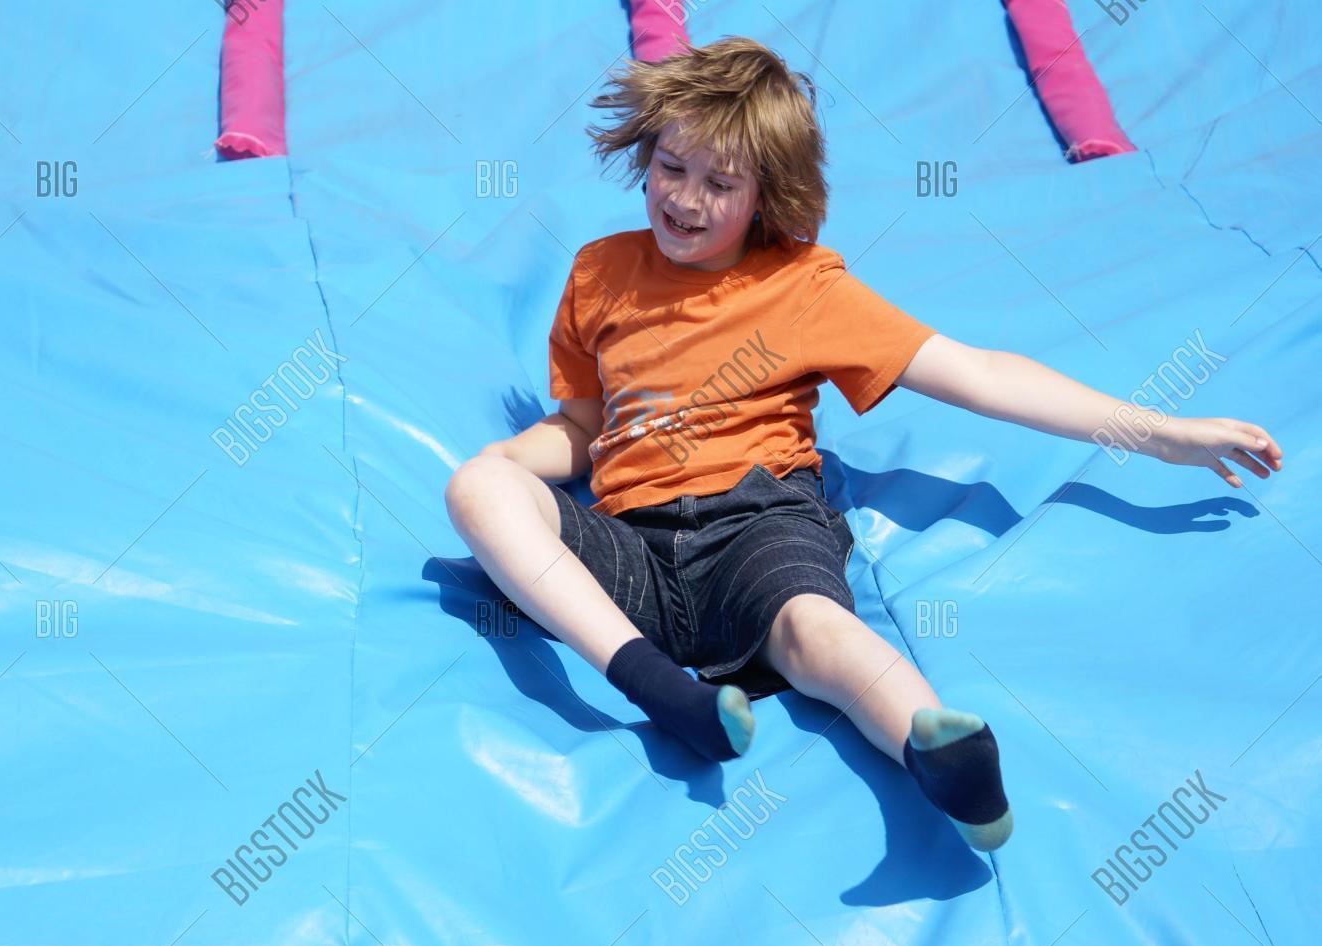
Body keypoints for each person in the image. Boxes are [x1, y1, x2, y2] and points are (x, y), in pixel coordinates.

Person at [443, 37, 1281, 852]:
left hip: (752, 524)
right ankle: (657, 689)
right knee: (474, 488)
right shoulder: (600, 272)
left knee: (812, 629)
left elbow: (980, 373)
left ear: (766, 196)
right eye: (671, 168)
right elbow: (586, 429)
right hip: (634, 547)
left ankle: (940, 751)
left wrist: (1161, 433)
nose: (685, 199)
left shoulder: (802, 286)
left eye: (720, 184)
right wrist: (505, 471)